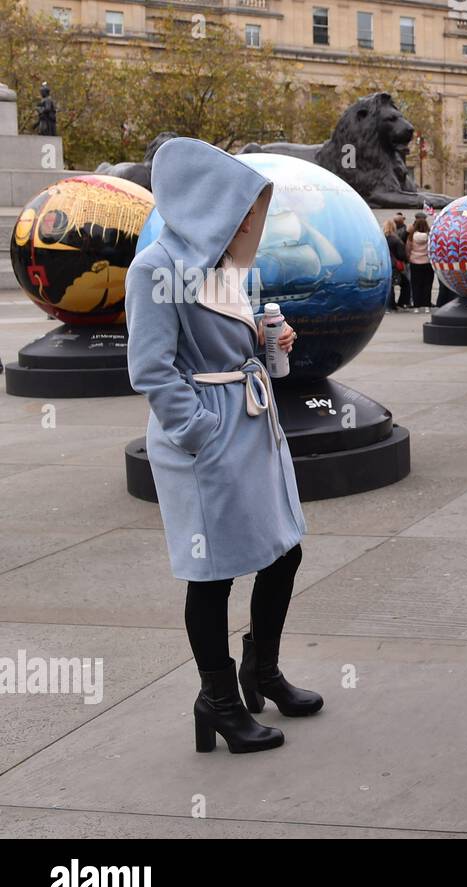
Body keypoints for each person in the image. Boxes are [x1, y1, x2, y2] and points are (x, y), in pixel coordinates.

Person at [125, 137, 322, 755]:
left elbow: (241, 355)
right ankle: (217, 700)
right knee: (210, 573)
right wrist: (200, 433)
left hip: (252, 423)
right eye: (239, 212)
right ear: (206, 206)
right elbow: (152, 369)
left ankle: (261, 671)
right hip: (207, 439)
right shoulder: (154, 268)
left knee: (282, 549)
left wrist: (275, 345)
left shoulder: (229, 268)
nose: (249, 225)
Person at [406, 214, 434, 308]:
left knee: (415, 284)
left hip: (415, 262)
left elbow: (408, 249)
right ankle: (426, 304)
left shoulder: (411, 236)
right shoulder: (430, 236)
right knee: (427, 284)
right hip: (427, 262)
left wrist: (409, 257)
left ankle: (416, 304)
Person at [381, 219, 409, 310]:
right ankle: (401, 303)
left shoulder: (380, 239)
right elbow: (401, 255)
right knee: (405, 284)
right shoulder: (396, 240)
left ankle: (389, 305)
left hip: (383, 265)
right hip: (394, 265)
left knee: (389, 285)